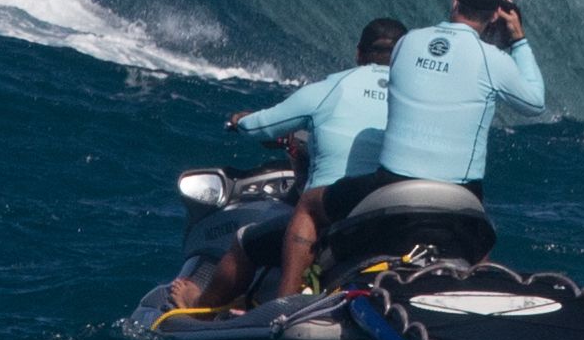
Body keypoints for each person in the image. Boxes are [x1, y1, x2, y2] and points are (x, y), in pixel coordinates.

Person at [165, 17, 405, 313]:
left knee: (245, 242)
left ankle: (219, 306)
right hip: (395, 214)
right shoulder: (413, 99)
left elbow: (262, 126)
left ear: (358, 52)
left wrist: (240, 121)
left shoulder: (333, 88)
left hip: (337, 215)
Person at [368, 0, 544, 198]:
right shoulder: (493, 60)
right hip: (458, 194)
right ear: (495, 14)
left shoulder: (407, 41)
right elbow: (535, 103)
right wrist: (518, 39)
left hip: (389, 185)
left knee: (312, 204)